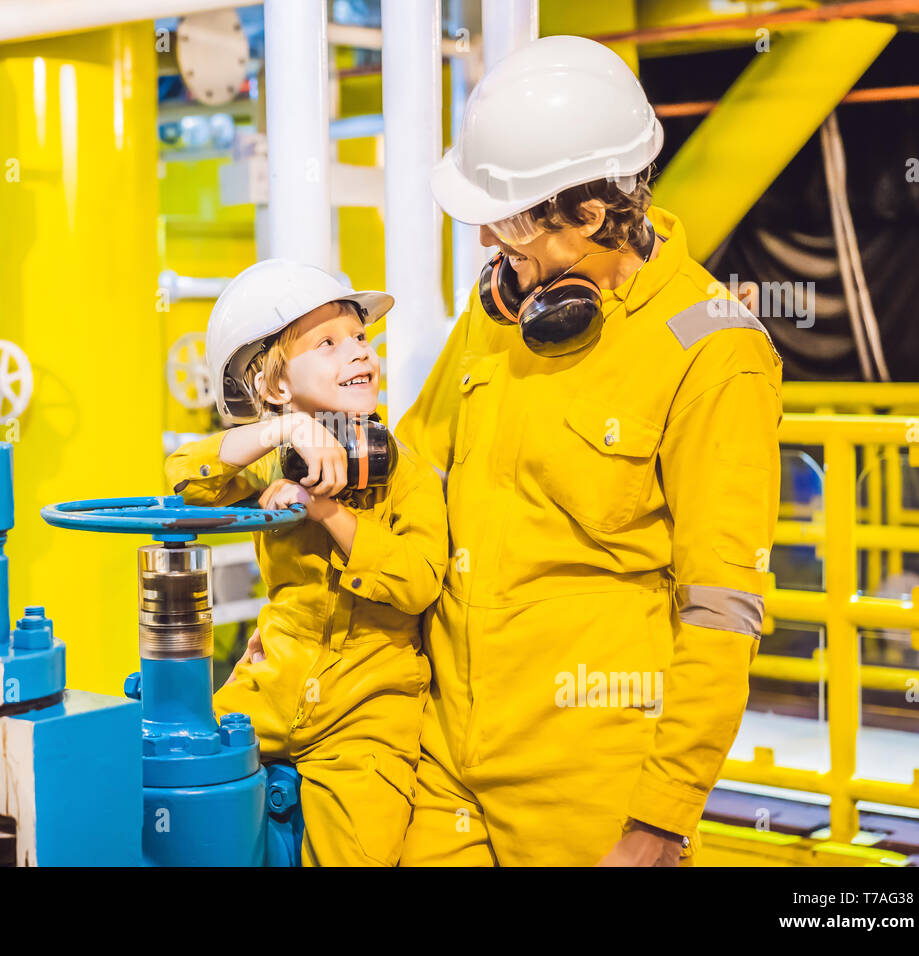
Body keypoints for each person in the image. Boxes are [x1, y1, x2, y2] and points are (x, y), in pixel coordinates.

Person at [396, 35, 783, 866]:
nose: (487, 247)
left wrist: (659, 820)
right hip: (441, 758)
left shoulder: (715, 352)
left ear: (593, 214)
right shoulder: (499, 313)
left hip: (591, 788)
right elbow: (413, 474)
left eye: (509, 221)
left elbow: (721, 612)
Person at [166, 259, 447, 866]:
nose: (359, 354)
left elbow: (419, 580)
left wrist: (327, 513)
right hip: (268, 688)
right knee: (169, 779)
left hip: (369, 716)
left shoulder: (410, 476)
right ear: (274, 388)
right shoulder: (275, 459)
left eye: (362, 339)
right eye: (328, 343)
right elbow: (184, 480)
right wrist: (279, 434)